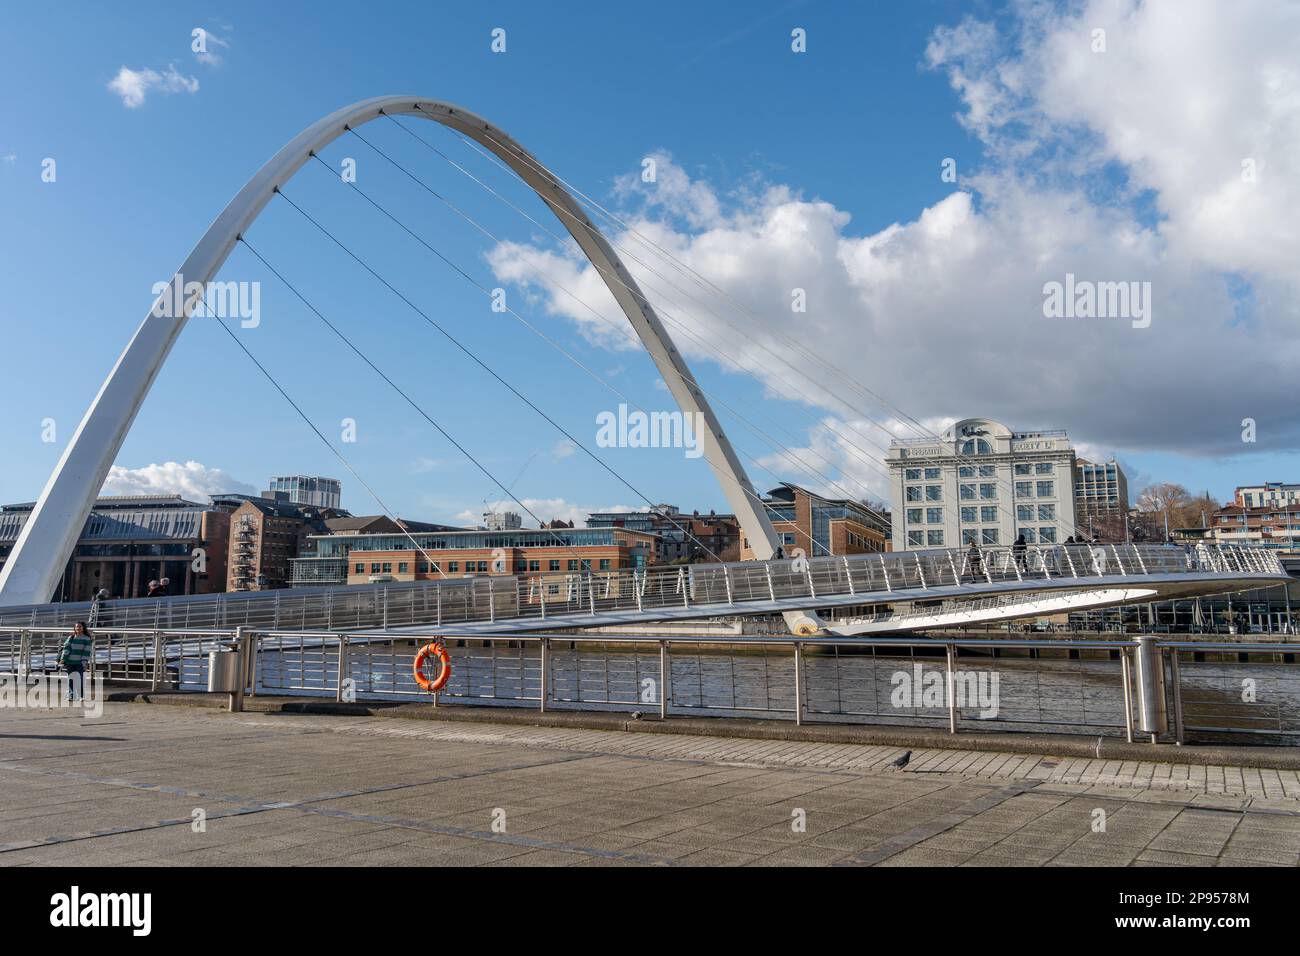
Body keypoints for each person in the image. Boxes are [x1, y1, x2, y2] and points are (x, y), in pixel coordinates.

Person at [57, 622, 93, 702]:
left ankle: (82, 696)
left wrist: (84, 662)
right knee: (70, 679)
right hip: (69, 662)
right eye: (76, 627)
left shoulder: (86, 639)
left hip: (80, 663)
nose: (78, 628)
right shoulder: (71, 637)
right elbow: (66, 649)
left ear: (83, 628)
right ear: (74, 628)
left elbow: (86, 652)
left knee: (80, 679)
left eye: (80, 627)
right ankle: (71, 696)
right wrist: (63, 659)